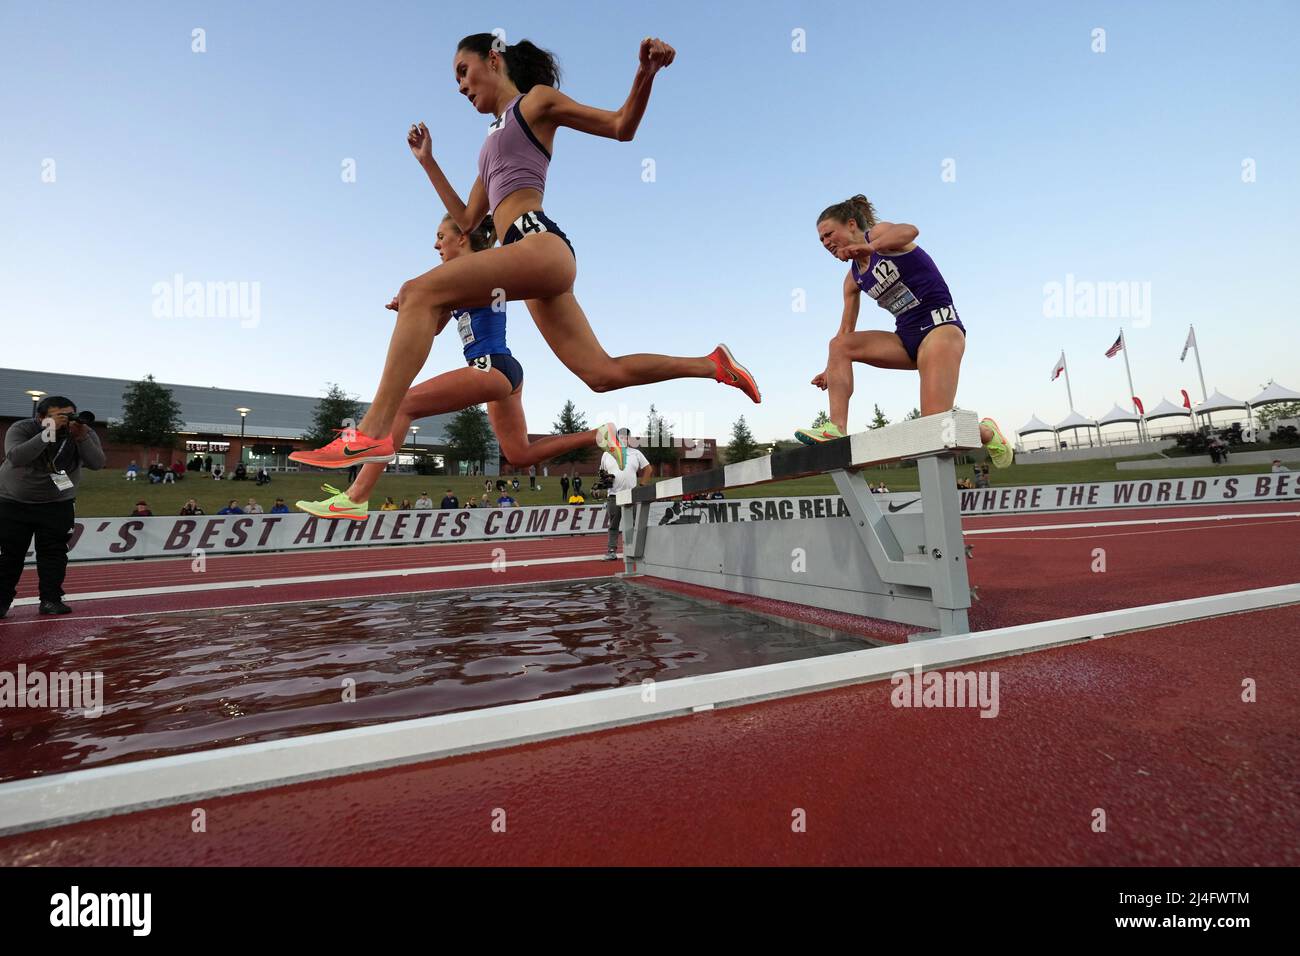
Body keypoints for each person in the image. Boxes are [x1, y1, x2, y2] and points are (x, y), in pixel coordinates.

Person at [289, 35, 760, 471]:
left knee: (417, 292)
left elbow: (620, 127)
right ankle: (713, 364)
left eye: (462, 71)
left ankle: (370, 432)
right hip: (527, 261)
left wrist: (645, 73)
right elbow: (469, 221)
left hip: (540, 244)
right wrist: (428, 162)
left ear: (493, 59)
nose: (459, 86)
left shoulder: (535, 103)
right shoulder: (486, 147)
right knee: (601, 373)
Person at [294, 212, 621, 520]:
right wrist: (412, 309)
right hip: (503, 369)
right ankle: (599, 435)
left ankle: (356, 497)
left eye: (440, 237)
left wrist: (421, 297)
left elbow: (471, 296)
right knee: (519, 454)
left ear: (463, 236)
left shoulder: (486, 270)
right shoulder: (460, 281)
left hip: (490, 366)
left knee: (403, 403)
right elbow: (435, 326)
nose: (436, 245)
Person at [794, 195, 1013, 469]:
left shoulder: (881, 235)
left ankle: (987, 432)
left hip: (939, 329)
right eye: (821, 240)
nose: (825, 243)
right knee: (839, 345)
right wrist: (832, 369)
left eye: (828, 234)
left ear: (851, 224)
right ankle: (835, 428)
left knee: (934, 429)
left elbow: (910, 230)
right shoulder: (852, 279)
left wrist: (868, 248)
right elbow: (846, 331)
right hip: (906, 339)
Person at [0, 397, 105, 617]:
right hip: (13, 502)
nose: (66, 421)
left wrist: (82, 437)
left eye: (70, 415)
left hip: (58, 503)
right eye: (60, 416)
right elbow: (16, 457)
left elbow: (97, 463)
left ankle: (51, 600)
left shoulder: (82, 432)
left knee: (54, 554)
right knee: (10, 555)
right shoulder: (23, 428)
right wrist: (48, 433)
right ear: (40, 417)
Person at [599, 428, 652, 560]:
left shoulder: (636, 453)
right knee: (613, 525)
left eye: (626, 436)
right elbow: (602, 473)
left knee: (634, 524)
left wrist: (642, 486)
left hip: (631, 495)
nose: (624, 439)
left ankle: (637, 551)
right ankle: (612, 551)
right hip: (613, 495)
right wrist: (604, 481)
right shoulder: (607, 454)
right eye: (621, 437)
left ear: (629, 438)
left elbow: (648, 469)